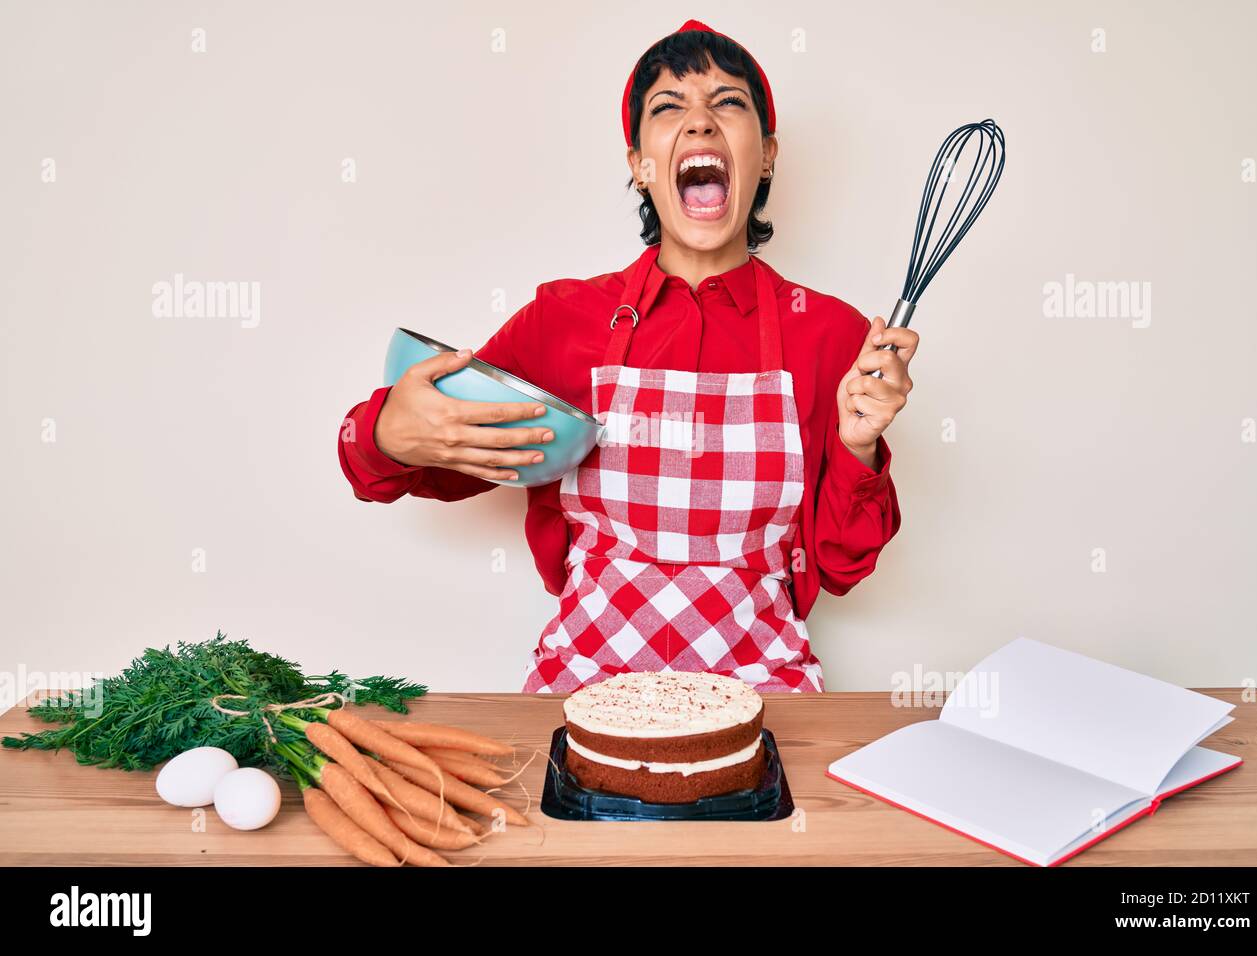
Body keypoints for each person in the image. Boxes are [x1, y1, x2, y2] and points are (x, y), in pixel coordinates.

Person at [338, 19, 917, 693]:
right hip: (581, 694)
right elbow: (383, 466)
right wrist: (386, 434)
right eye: (669, 109)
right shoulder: (563, 321)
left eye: (728, 103)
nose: (699, 123)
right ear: (640, 164)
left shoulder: (830, 334)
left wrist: (859, 448)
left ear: (766, 155)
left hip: (767, 699)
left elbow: (843, 566)